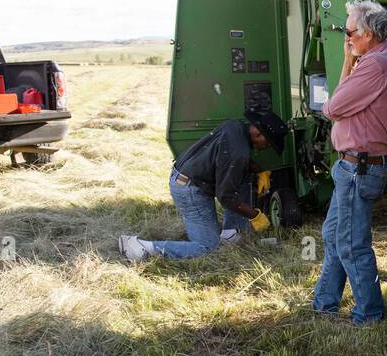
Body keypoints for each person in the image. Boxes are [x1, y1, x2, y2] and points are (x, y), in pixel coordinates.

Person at [312, 0, 387, 324]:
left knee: (352, 244)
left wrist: (349, 61)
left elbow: (333, 107)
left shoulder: (375, 66)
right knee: (334, 235)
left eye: (349, 31)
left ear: (369, 33)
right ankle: (324, 303)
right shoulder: (375, 59)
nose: (346, 37)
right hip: (354, 166)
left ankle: (369, 314)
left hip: (358, 167)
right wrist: (350, 59)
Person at [119, 111, 289, 261]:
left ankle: (230, 234)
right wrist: (255, 215)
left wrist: (259, 171)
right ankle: (141, 247)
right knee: (207, 247)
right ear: (258, 133)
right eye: (268, 143)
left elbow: (232, 158)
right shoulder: (238, 154)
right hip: (190, 190)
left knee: (244, 176)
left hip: (187, 177)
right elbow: (226, 197)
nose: (266, 148)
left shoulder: (235, 126)